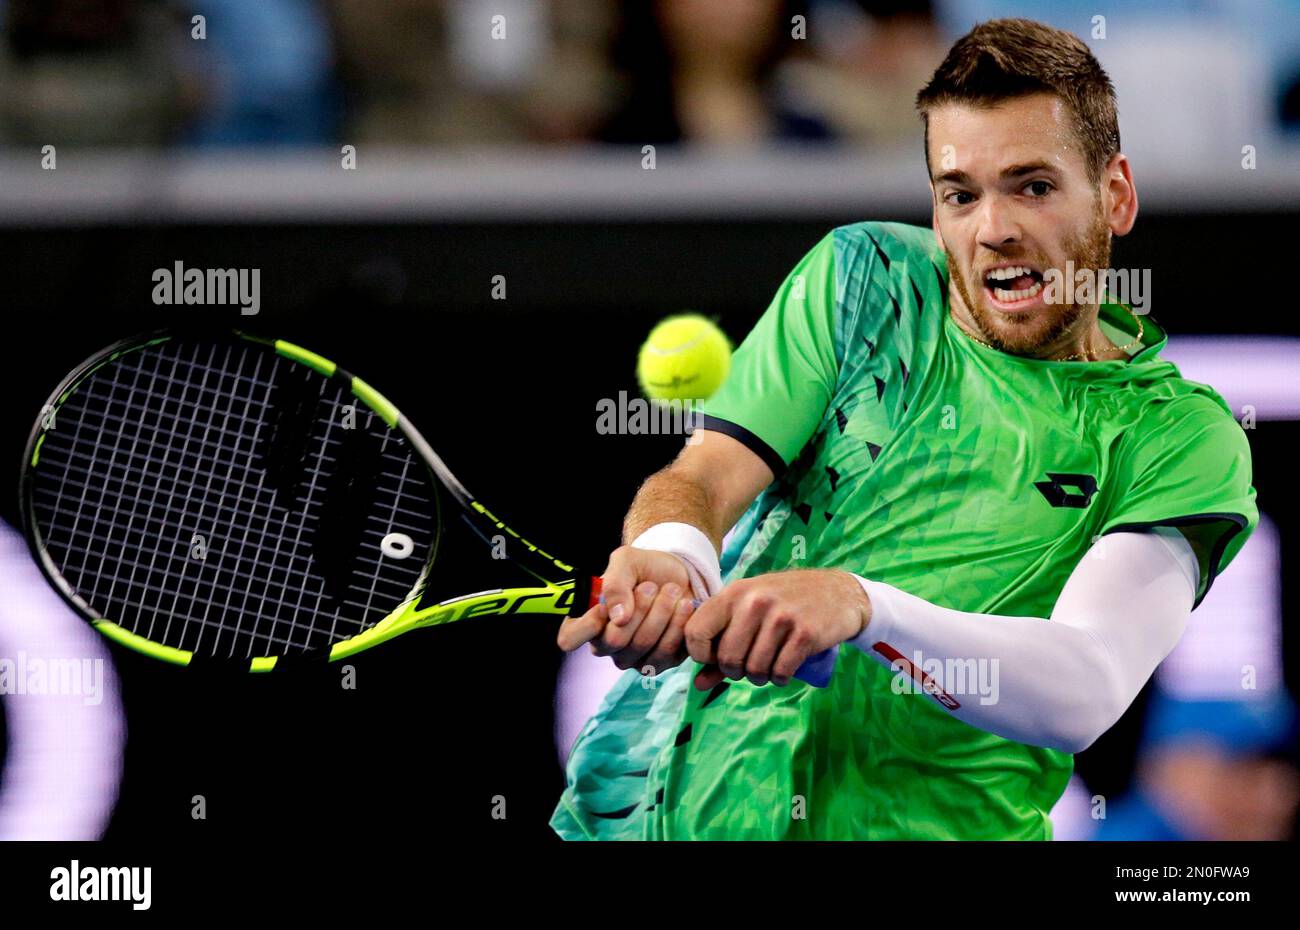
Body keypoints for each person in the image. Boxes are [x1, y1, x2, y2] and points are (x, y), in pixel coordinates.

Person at [552, 17, 1258, 840]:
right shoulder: (863, 280)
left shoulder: (1180, 437)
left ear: (1116, 195)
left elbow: (1085, 687)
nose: (994, 228)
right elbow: (706, 476)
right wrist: (672, 556)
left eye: (1033, 186)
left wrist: (864, 608)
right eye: (961, 193)